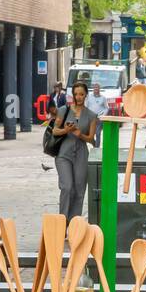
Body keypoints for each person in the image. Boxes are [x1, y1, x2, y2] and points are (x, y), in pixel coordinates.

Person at [49, 79, 97, 218]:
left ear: (85, 95)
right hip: (63, 153)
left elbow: (92, 139)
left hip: (81, 154)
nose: (78, 97)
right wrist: (66, 130)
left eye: (81, 94)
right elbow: (54, 131)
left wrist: (80, 134)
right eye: (76, 94)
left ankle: (75, 223)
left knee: (79, 190)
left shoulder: (91, 116)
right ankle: (63, 221)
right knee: (67, 187)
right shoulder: (64, 110)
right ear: (73, 95)